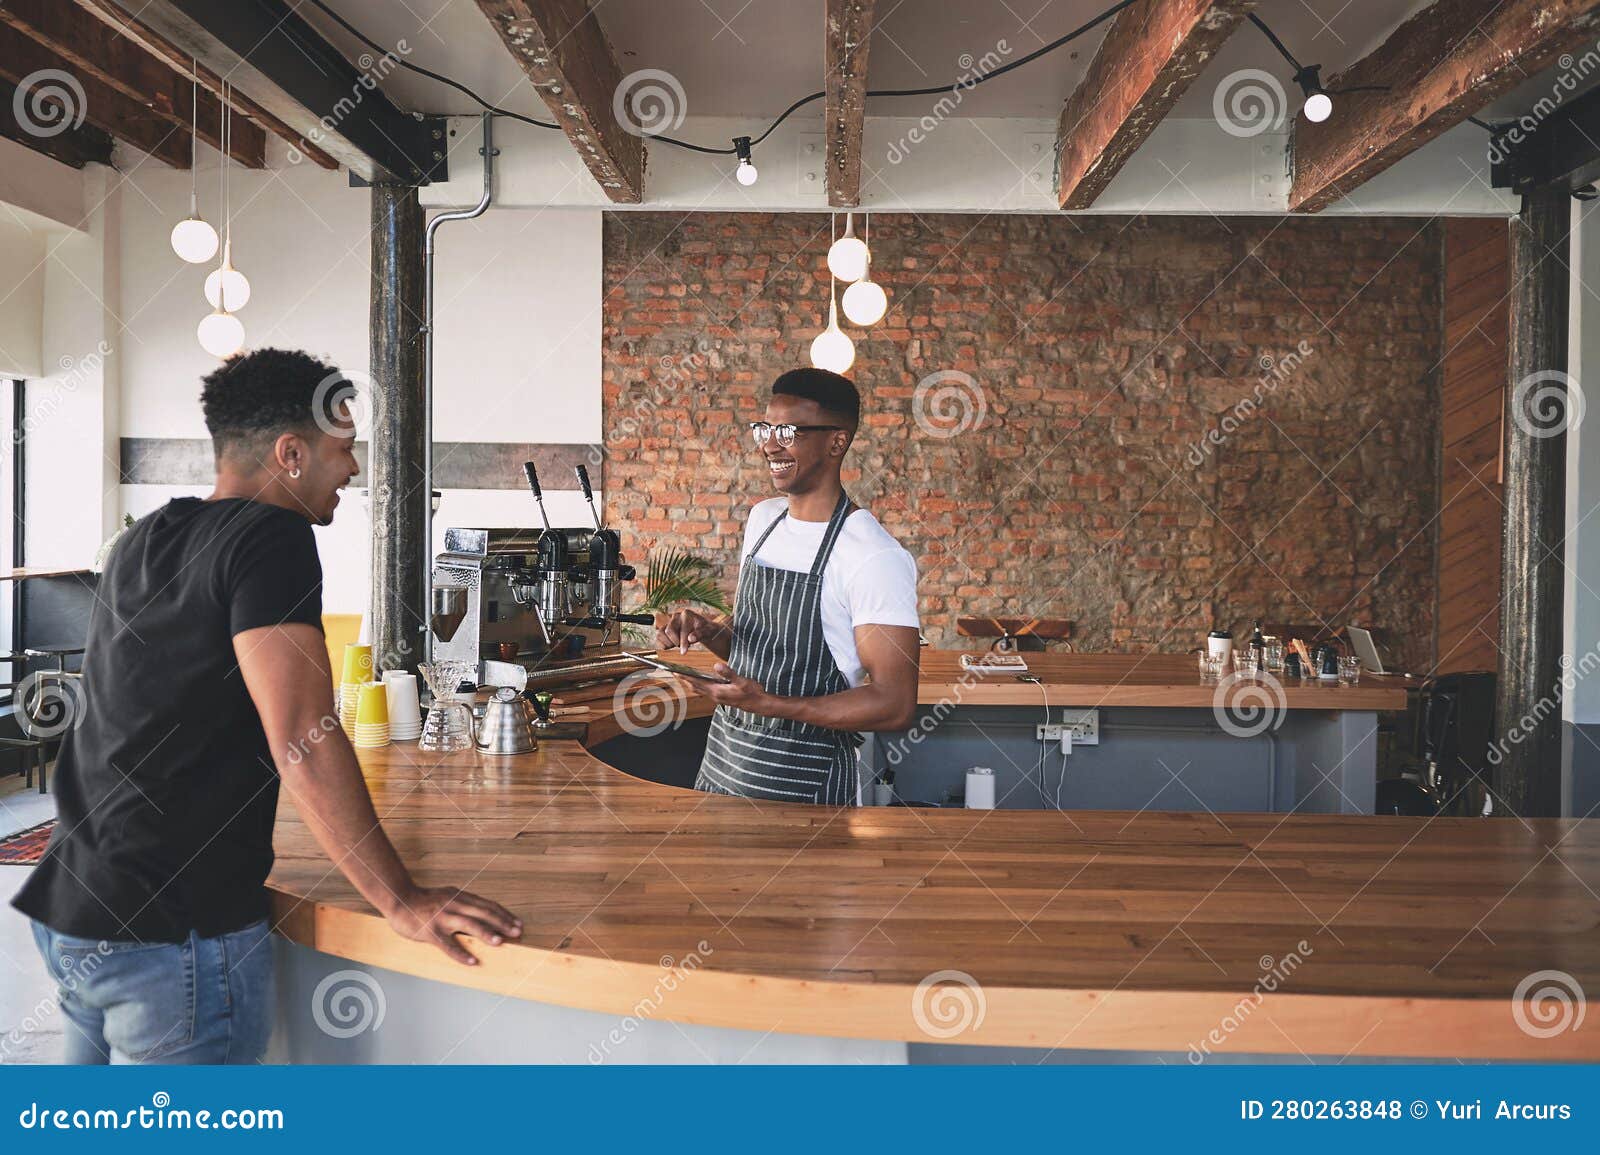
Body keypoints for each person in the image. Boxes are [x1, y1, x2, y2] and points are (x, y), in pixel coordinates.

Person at [12, 348, 521, 1064]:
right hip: (173, 932)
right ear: (290, 453)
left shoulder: (141, 539)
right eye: (341, 449)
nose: (351, 469)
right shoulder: (271, 540)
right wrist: (399, 897)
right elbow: (305, 739)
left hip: (78, 908)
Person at [657, 367, 920, 805]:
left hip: (804, 785)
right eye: (765, 428)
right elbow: (765, 651)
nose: (769, 444)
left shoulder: (873, 556)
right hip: (725, 762)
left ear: (837, 441)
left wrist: (771, 706)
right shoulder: (764, 520)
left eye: (788, 431)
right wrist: (710, 631)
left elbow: (895, 704)